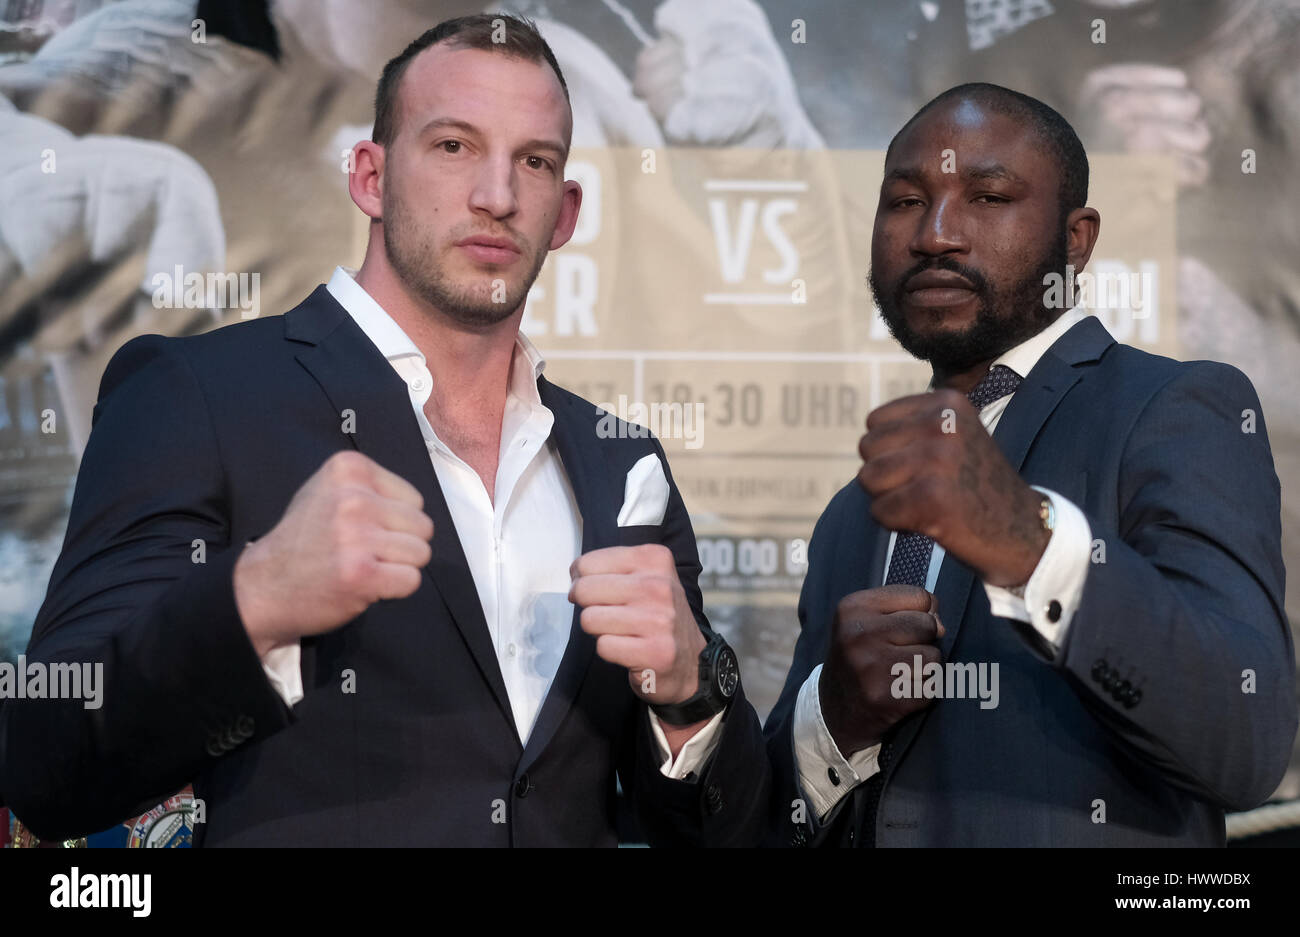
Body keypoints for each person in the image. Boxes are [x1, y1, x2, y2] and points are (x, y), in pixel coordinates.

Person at [0, 14, 768, 847]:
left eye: (534, 162)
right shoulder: (195, 396)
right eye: (452, 147)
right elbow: (47, 764)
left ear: (566, 211)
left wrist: (693, 690)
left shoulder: (623, 464)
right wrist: (253, 597)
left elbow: (723, 832)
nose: (497, 196)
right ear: (369, 176)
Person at [764, 82, 1296, 847]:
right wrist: (833, 720)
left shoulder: (1176, 408)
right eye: (906, 201)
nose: (936, 234)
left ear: (1076, 240)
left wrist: (1033, 543)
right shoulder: (856, 509)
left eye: (988, 196)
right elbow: (772, 819)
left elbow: (1247, 738)